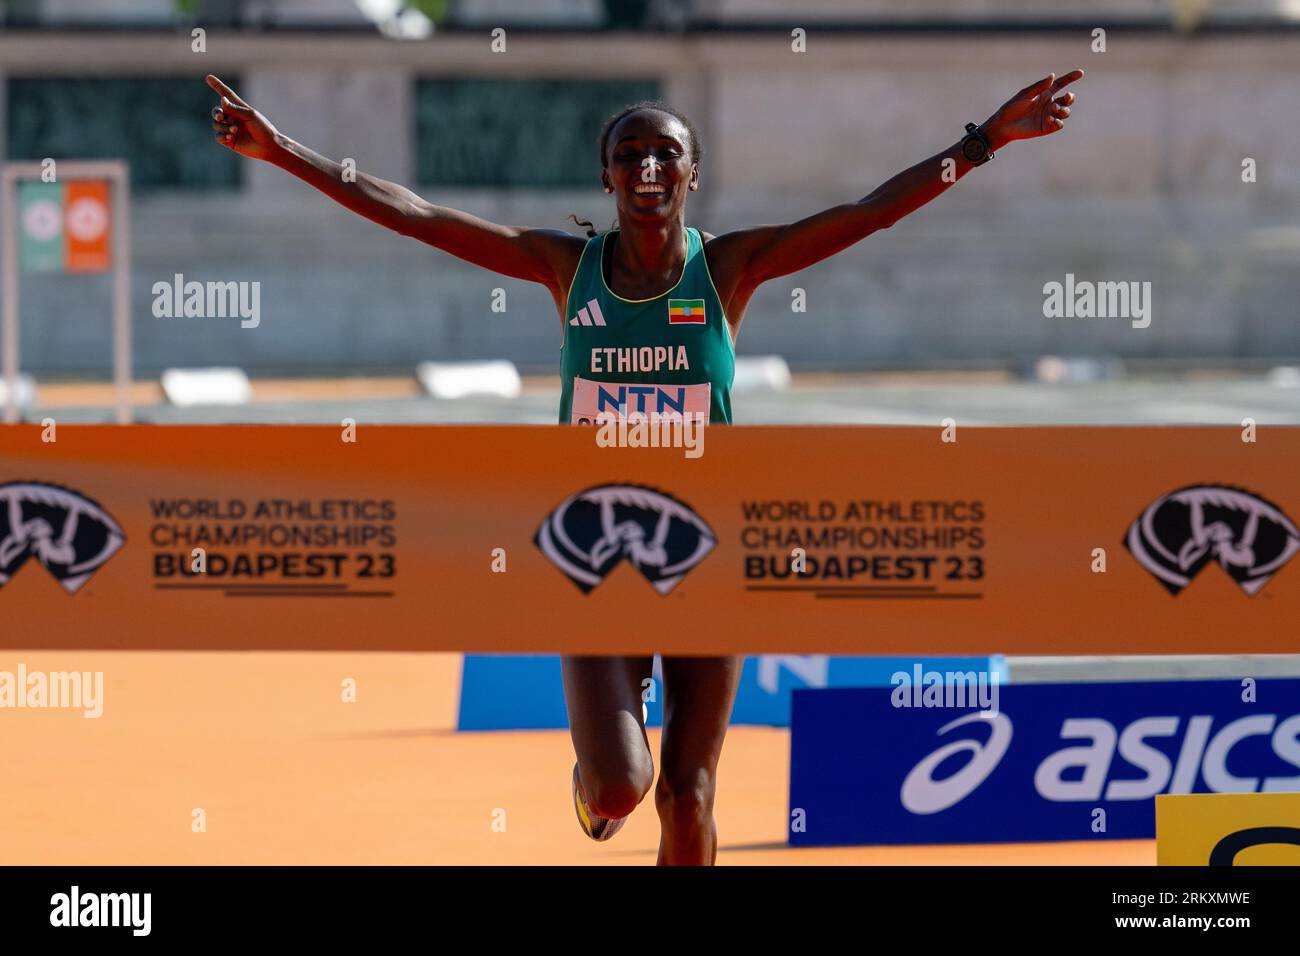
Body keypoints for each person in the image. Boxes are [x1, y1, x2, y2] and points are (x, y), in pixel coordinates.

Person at [207, 67, 1083, 865]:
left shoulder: (731, 269)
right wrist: (281, 150)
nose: (649, 169)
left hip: (710, 556)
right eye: (631, 156)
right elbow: (410, 212)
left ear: (691, 174)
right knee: (623, 788)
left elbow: (870, 212)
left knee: (690, 795)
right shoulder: (565, 267)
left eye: (667, 155)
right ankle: (591, 786)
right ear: (608, 178)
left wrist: (983, 143)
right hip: (592, 558)